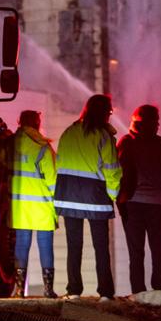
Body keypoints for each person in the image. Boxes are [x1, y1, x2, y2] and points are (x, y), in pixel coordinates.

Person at [54, 93, 120, 300]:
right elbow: (112, 169)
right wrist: (113, 195)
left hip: (68, 196)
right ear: (104, 113)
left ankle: (74, 290)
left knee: (74, 246)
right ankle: (106, 293)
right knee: (101, 247)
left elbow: (60, 164)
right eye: (109, 112)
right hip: (95, 200)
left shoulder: (69, 132)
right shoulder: (103, 136)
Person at [116, 104, 161, 294]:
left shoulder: (125, 142)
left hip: (132, 205)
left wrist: (119, 200)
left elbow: (116, 173)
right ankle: (159, 289)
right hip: (159, 205)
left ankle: (138, 292)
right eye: (156, 121)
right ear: (150, 122)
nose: (158, 125)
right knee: (159, 252)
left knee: (136, 252)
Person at [9, 110, 58, 298]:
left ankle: (20, 290)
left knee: (21, 245)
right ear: (38, 123)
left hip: (20, 207)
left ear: (19, 122)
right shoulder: (43, 147)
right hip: (42, 206)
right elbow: (53, 181)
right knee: (45, 246)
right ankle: (48, 290)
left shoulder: (11, 143)